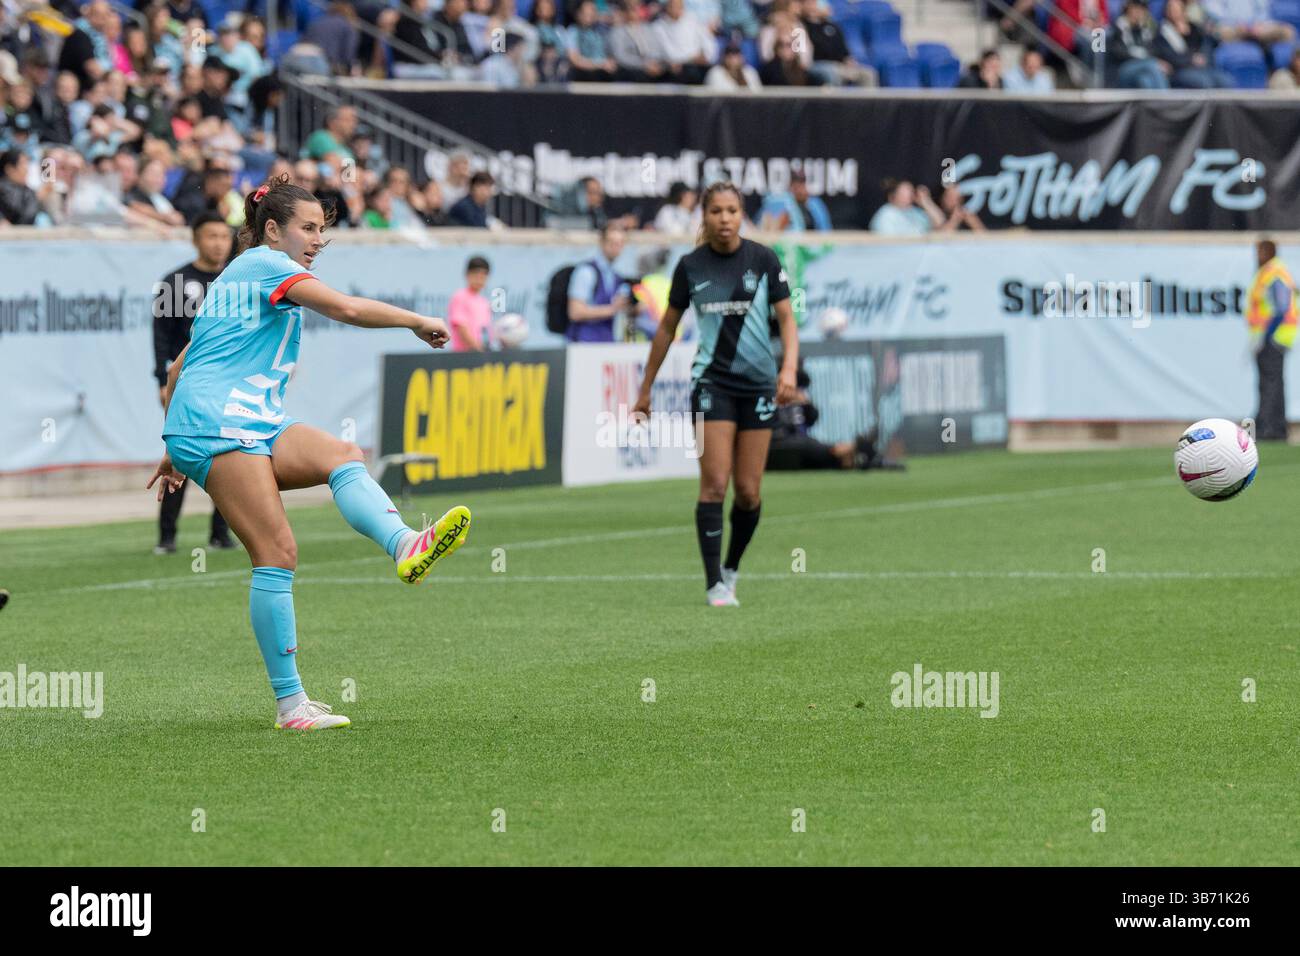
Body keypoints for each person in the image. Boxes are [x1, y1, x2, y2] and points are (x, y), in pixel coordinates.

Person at [147, 174, 472, 731]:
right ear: (272, 230)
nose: (318, 239)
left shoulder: (237, 275)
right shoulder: (269, 265)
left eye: (323, 229)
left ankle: (404, 546)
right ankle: (291, 706)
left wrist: (175, 446)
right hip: (224, 422)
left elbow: (181, 364)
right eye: (308, 228)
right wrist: (417, 321)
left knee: (341, 454)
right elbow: (345, 308)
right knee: (277, 553)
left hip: (237, 419)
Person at [632, 180, 798, 607]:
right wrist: (645, 388)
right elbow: (667, 327)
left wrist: (789, 369)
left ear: (741, 215)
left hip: (759, 385)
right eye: (716, 211)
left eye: (732, 211)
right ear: (703, 217)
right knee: (714, 484)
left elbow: (787, 318)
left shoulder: (762, 259)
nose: (725, 219)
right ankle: (713, 584)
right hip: (712, 385)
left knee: (748, 492)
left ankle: (732, 567)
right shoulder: (691, 266)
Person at [152, 211, 237, 554]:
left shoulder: (237, 280)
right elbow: (160, 336)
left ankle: (221, 533)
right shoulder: (174, 282)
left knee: (231, 457)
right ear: (196, 239)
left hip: (230, 382)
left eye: (223, 236)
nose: (218, 243)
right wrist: (162, 378)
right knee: (181, 454)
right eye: (211, 236)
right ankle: (167, 536)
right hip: (186, 382)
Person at [1245, 238, 1296, 441]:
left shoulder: (1273, 273)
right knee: (1274, 383)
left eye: (1259, 251)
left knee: (1270, 384)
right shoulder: (1270, 272)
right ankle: (1276, 428)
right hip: (1274, 336)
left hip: (1274, 337)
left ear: (1267, 251)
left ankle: (1268, 428)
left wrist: (1266, 336)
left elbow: (1281, 308)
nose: (1256, 256)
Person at [566, 222, 631, 342]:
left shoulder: (616, 277)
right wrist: (613, 309)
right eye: (612, 242)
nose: (616, 247)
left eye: (620, 243)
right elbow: (575, 312)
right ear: (602, 242)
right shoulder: (586, 272)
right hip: (584, 344)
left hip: (606, 344)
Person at [448, 255, 495, 351]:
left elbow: (485, 331)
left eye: (483, 276)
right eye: (476, 275)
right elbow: (461, 327)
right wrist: (478, 350)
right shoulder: (460, 297)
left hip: (482, 356)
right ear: (467, 275)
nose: (479, 279)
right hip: (464, 357)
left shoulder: (484, 302)